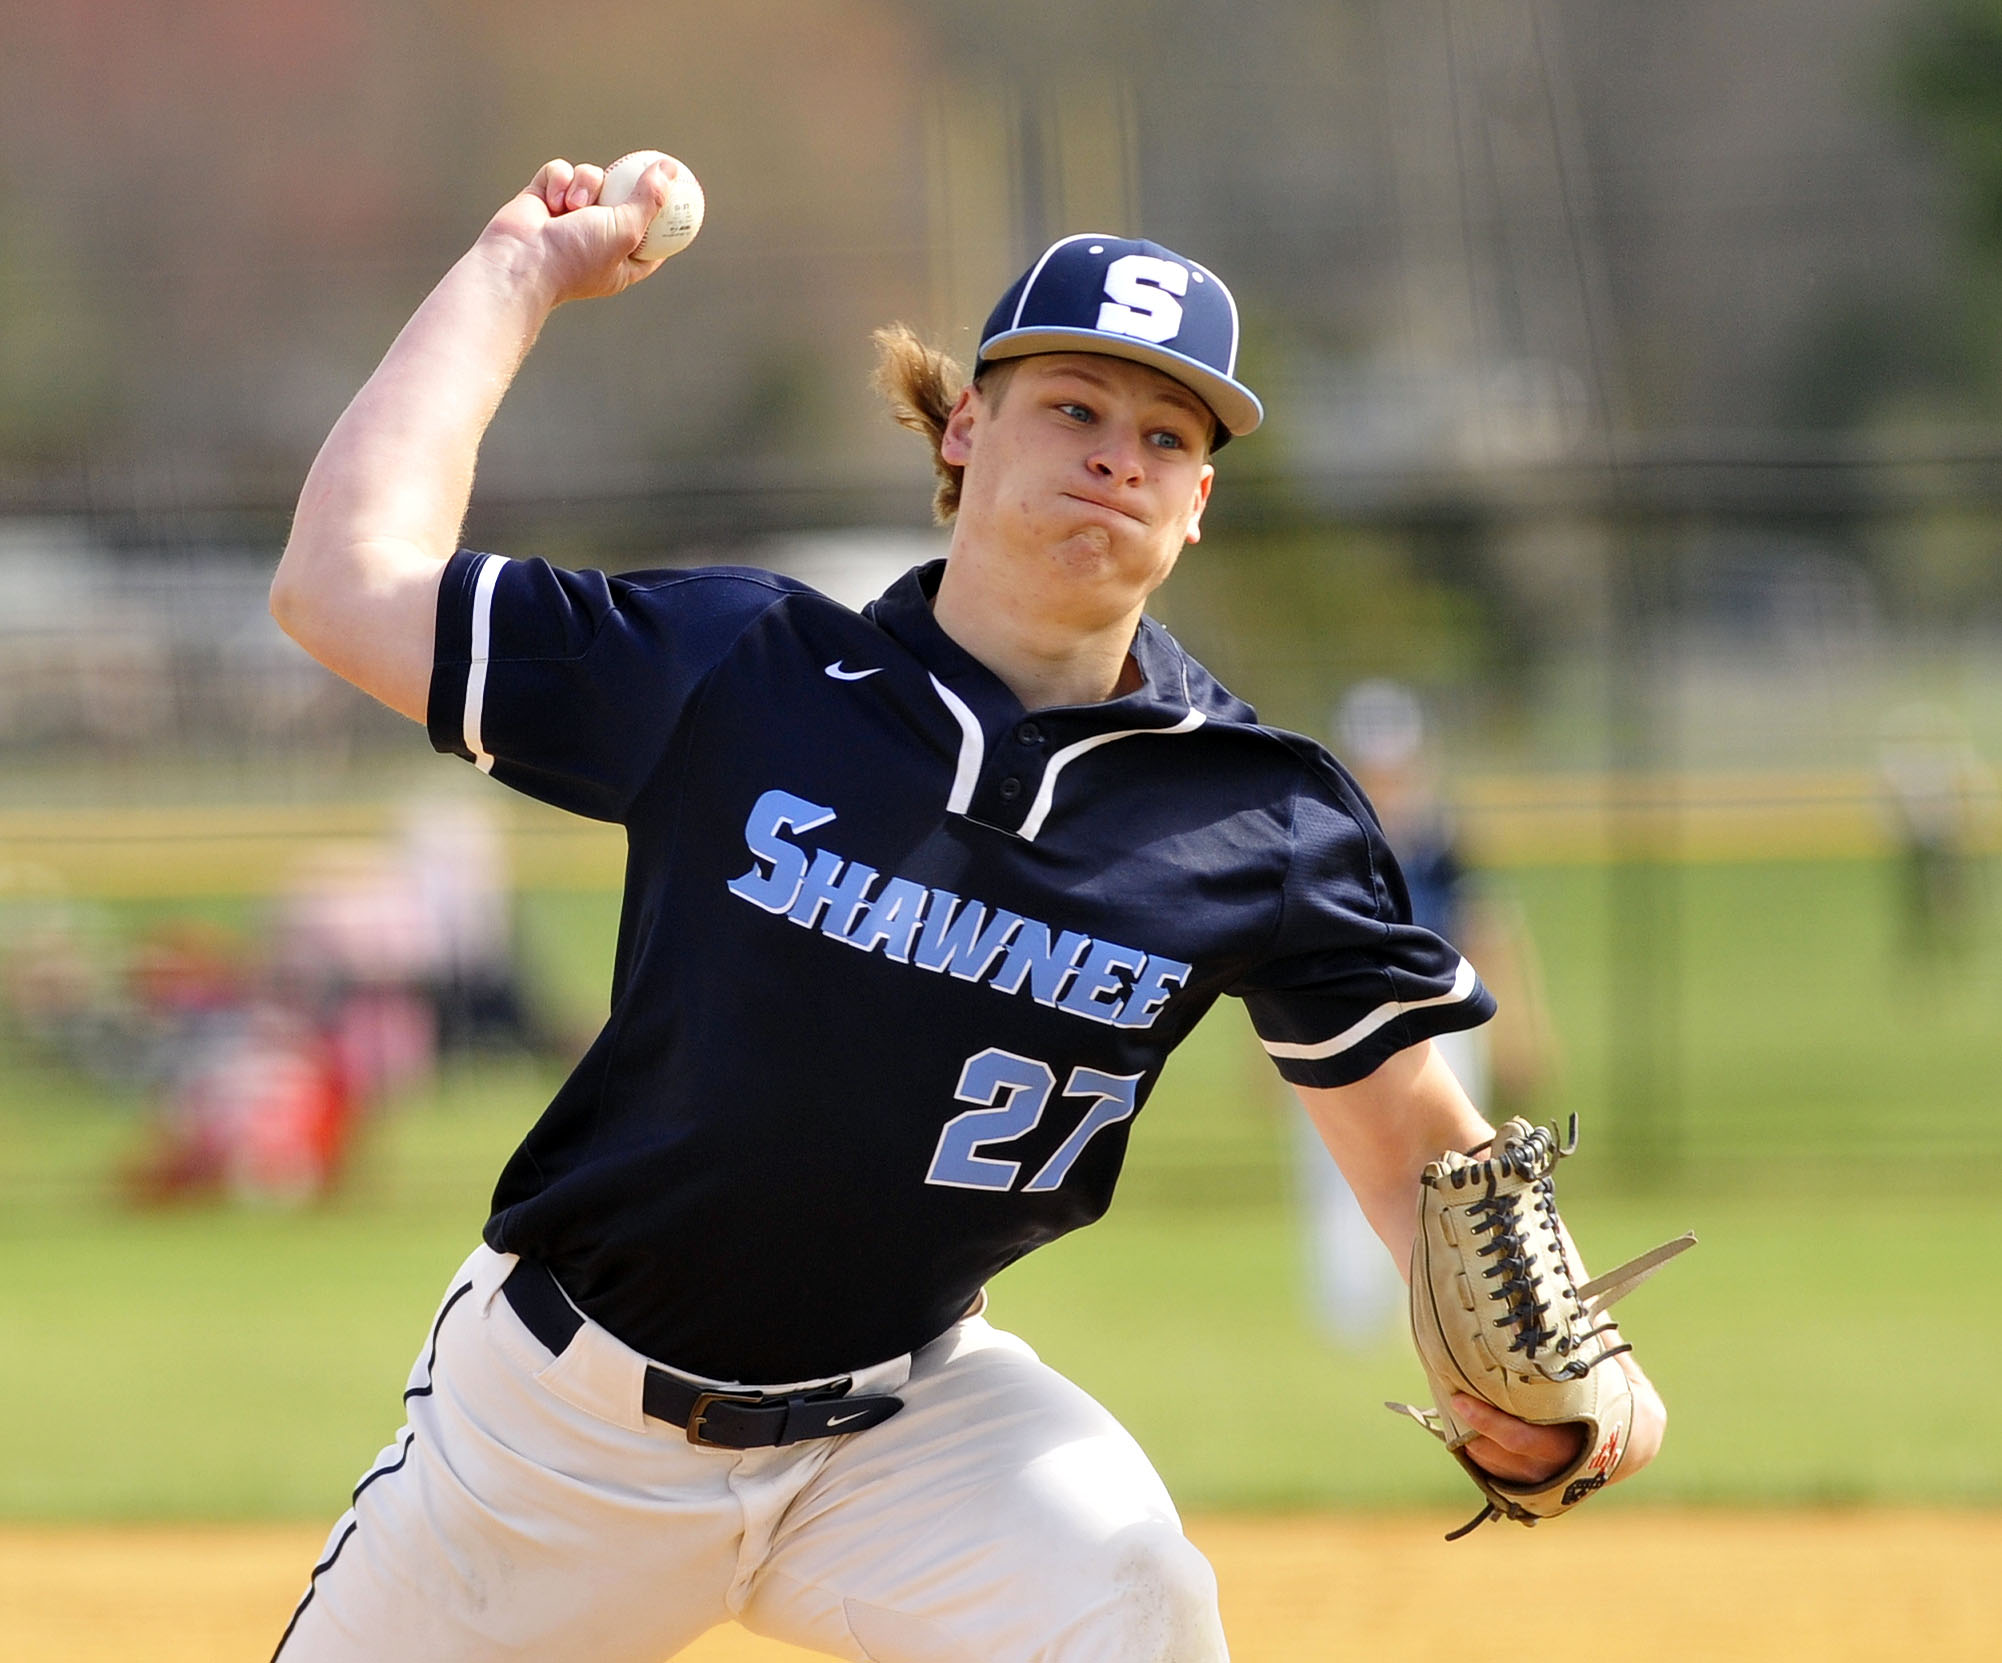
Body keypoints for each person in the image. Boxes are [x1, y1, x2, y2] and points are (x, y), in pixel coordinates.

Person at [267, 156, 1666, 1662]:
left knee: (1131, 1597)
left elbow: (1417, 1152)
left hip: (911, 1424)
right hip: (565, 1427)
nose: (1115, 456)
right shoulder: (739, 673)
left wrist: (1560, 1371)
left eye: (1164, 433)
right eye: (1072, 407)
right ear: (962, 426)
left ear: (1198, 501)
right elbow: (341, 584)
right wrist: (511, 276)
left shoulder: (1258, 813)